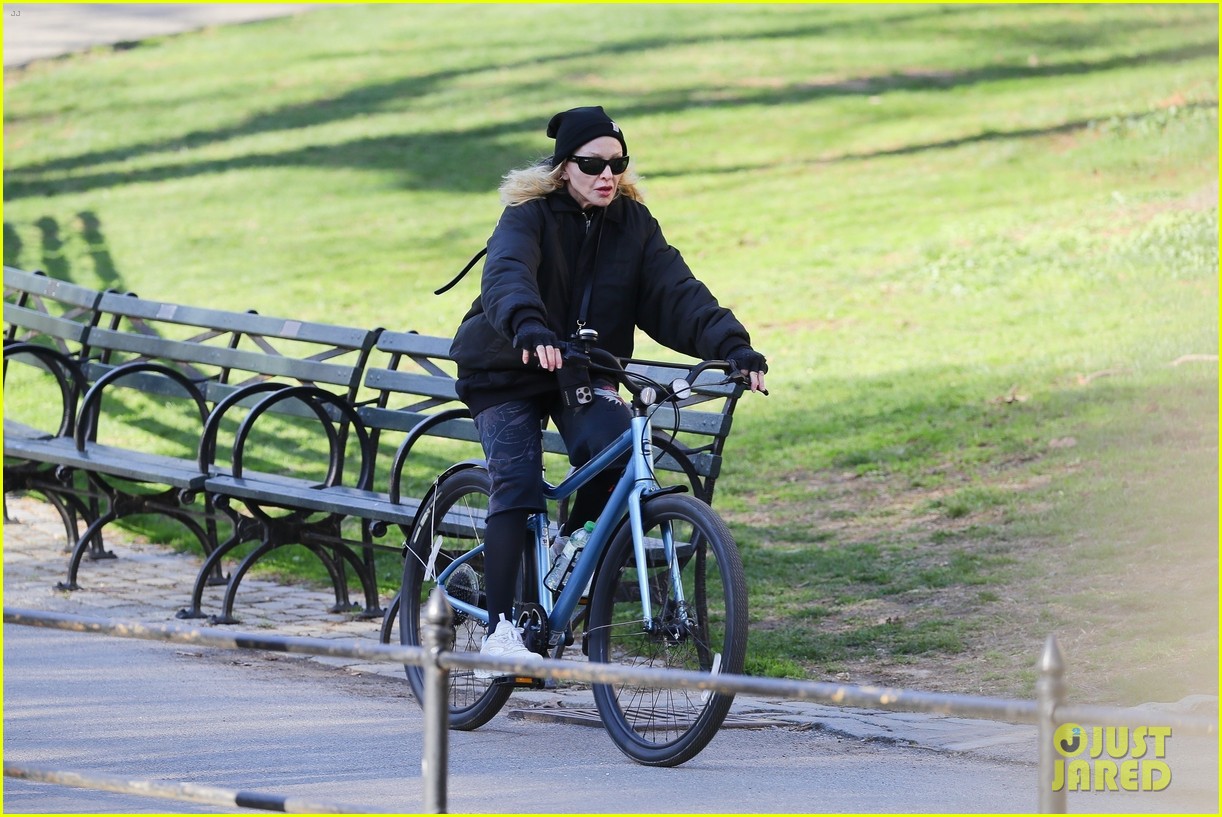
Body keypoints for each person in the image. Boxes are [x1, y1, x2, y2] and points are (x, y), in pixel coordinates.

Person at [448, 106, 768, 671]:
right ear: (563, 167)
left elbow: (678, 292)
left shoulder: (633, 225)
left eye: (617, 163)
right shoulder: (528, 216)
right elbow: (507, 274)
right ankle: (501, 631)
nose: (607, 175)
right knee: (518, 483)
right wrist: (528, 325)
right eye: (593, 164)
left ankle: (566, 551)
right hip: (509, 365)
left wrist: (733, 348)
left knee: (620, 452)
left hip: (582, 371)